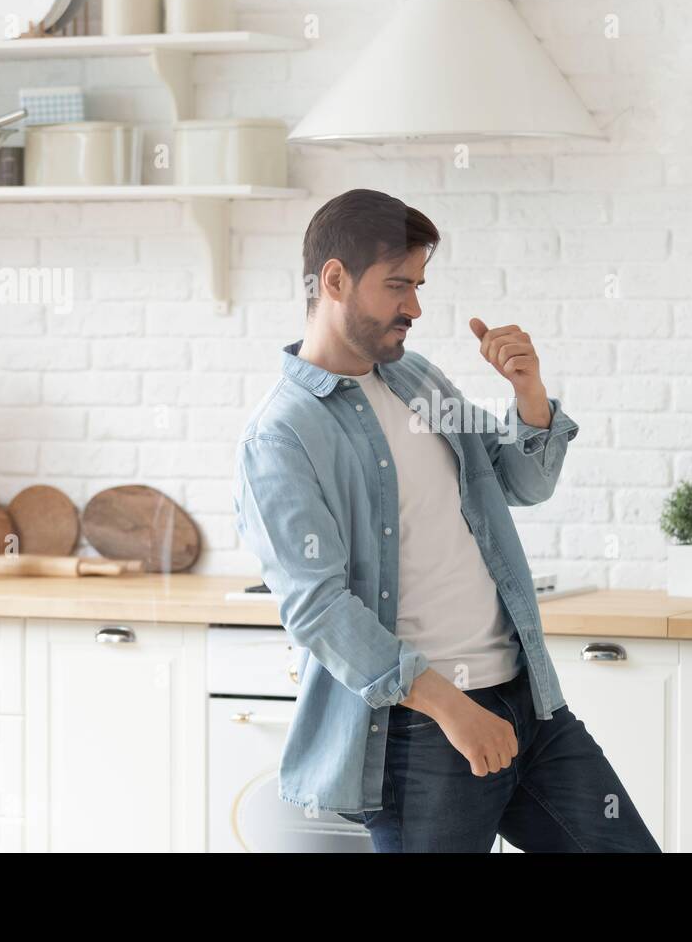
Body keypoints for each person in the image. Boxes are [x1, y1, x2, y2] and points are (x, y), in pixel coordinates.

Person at [232, 188, 660, 853]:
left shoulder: (416, 380)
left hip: (527, 703)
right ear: (336, 280)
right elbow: (318, 610)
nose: (415, 307)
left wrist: (529, 393)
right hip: (424, 735)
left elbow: (521, 480)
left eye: (419, 284)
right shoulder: (282, 436)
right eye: (398, 285)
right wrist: (453, 710)